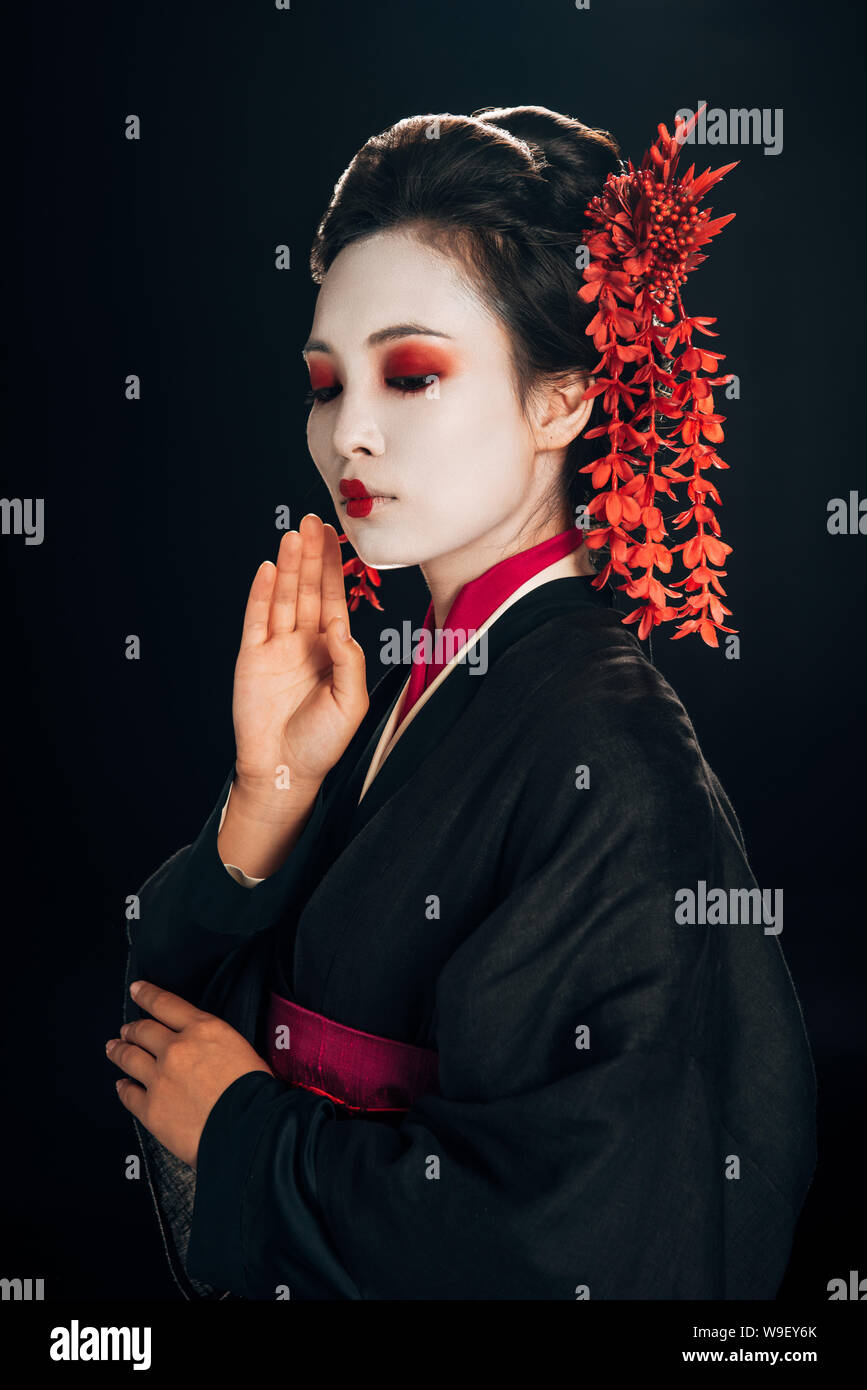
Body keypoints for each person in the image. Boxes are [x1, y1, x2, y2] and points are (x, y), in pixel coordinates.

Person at [110, 105, 817, 1300]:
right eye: (327, 384)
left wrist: (248, 1132)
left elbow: (581, 1236)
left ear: (564, 401)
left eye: (414, 373)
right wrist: (268, 801)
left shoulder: (610, 748)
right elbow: (157, 1039)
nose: (351, 433)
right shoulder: (403, 690)